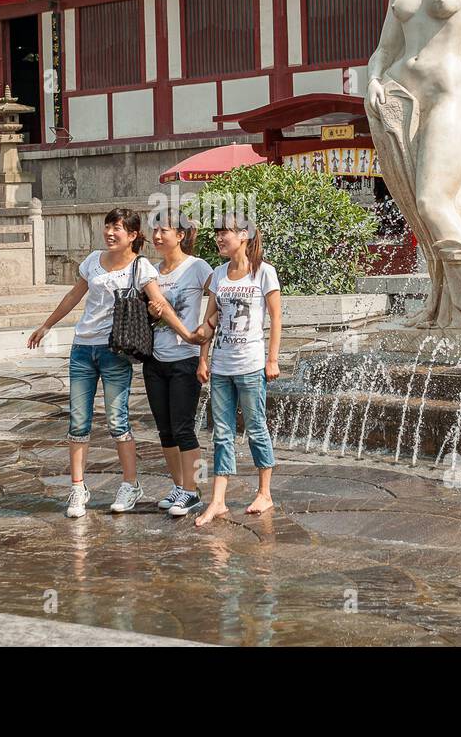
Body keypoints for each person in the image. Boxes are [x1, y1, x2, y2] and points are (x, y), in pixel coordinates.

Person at [26, 208, 201, 519]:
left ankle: (132, 485)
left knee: (117, 421)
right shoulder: (93, 260)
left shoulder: (141, 266)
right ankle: (78, 488)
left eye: (117, 228)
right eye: (107, 226)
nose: (109, 232)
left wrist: (188, 335)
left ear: (132, 235)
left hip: (116, 352)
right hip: (83, 349)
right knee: (78, 421)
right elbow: (73, 295)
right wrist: (47, 325)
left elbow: (159, 303)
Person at [195, 216, 281, 528]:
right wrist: (203, 358)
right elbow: (209, 320)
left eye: (225, 233)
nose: (219, 238)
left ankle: (264, 493)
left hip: (250, 364)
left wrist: (272, 359)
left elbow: (276, 318)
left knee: (256, 427)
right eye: (217, 233)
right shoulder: (219, 274)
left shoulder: (264, 272)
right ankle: (218, 501)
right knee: (222, 432)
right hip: (221, 365)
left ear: (243, 235)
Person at [143, 212, 213, 516]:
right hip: (155, 360)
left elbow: (221, 297)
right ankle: (179, 486)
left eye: (164, 231)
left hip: (185, 359)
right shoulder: (152, 271)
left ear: (181, 235)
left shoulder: (197, 267)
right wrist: (150, 312)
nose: (157, 236)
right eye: (155, 231)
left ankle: (194, 490)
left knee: (185, 429)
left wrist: (206, 334)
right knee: (165, 430)